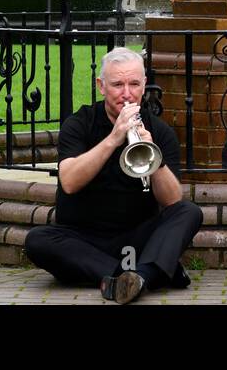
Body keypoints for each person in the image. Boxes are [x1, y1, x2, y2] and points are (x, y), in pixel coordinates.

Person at [23, 47, 203, 304]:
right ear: (101, 86)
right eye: (117, 84)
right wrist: (113, 139)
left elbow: (172, 200)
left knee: (189, 211)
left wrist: (155, 160)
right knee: (38, 241)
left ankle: (132, 277)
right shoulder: (79, 123)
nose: (127, 94)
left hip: (137, 237)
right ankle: (147, 274)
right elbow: (70, 183)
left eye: (134, 84)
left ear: (144, 86)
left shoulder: (160, 132)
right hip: (83, 238)